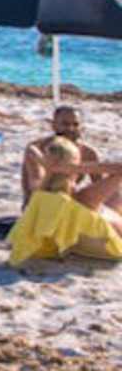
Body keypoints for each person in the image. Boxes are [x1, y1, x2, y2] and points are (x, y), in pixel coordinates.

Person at [8, 106, 122, 266]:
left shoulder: (88, 152)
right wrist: (54, 169)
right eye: (65, 124)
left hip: (73, 200)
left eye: (75, 124)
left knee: (114, 195)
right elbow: (37, 190)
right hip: (43, 206)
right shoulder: (40, 149)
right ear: (53, 125)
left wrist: (68, 169)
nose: (70, 129)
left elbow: (101, 185)